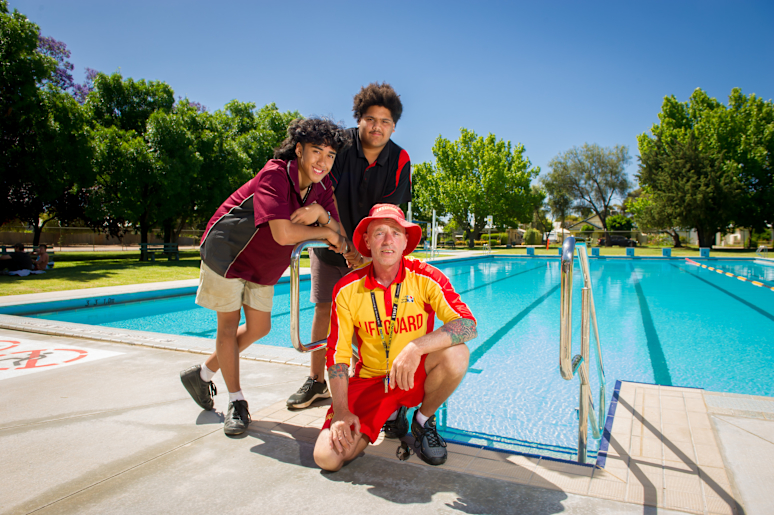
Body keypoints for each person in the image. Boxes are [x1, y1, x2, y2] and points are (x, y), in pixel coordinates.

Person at [179, 118, 351, 436]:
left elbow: (340, 234)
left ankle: (202, 374)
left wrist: (321, 215)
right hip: (227, 254)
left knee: (261, 327)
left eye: (330, 155)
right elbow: (283, 232)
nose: (323, 162)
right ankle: (236, 402)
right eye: (316, 151)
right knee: (228, 328)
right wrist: (326, 230)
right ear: (299, 150)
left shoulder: (324, 188)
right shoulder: (275, 173)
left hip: (263, 265)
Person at [313, 205, 477, 471]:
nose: (388, 241)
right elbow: (337, 356)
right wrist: (341, 410)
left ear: (405, 242)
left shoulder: (426, 278)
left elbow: (467, 325)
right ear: (367, 241)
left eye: (395, 232)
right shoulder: (347, 289)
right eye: (379, 233)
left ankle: (422, 422)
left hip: (413, 374)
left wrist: (415, 347)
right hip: (369, 382)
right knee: (327, 458)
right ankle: (390, 413)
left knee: (457, 353)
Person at [287, 82, 412, 410]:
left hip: (372, 253)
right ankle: (316, 382)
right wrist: (345, 246)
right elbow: (327, 197)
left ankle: (378, 384)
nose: (377, 127)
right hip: (330, 242)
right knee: (324, 309)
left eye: (385, 122)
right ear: (358, 119)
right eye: (370, 119)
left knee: (381, 317)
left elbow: (387, 215)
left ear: (394, 126)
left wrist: (365, 254)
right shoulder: (337, 146)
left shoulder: (400, 160)